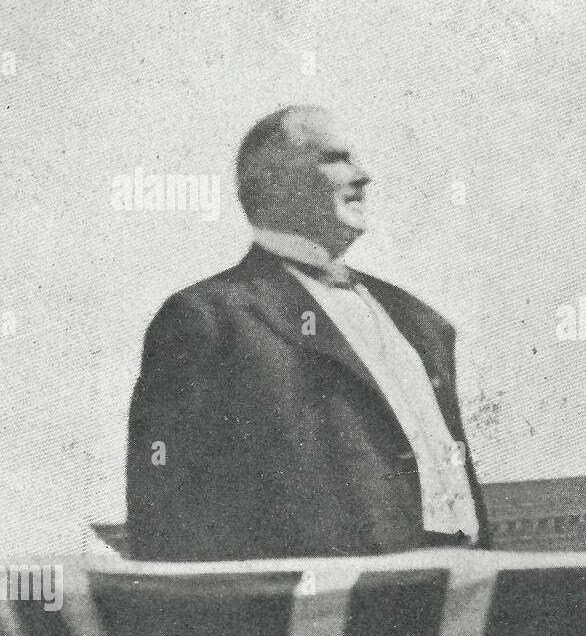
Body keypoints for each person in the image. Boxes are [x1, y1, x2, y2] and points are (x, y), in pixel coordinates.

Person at [126, 105, 488, 560]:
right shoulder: (209, 319)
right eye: (337, 158)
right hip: (315, 616)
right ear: (276, 182)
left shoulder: (421, 321)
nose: (364, 176)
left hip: (455, 597)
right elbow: (166, 511)